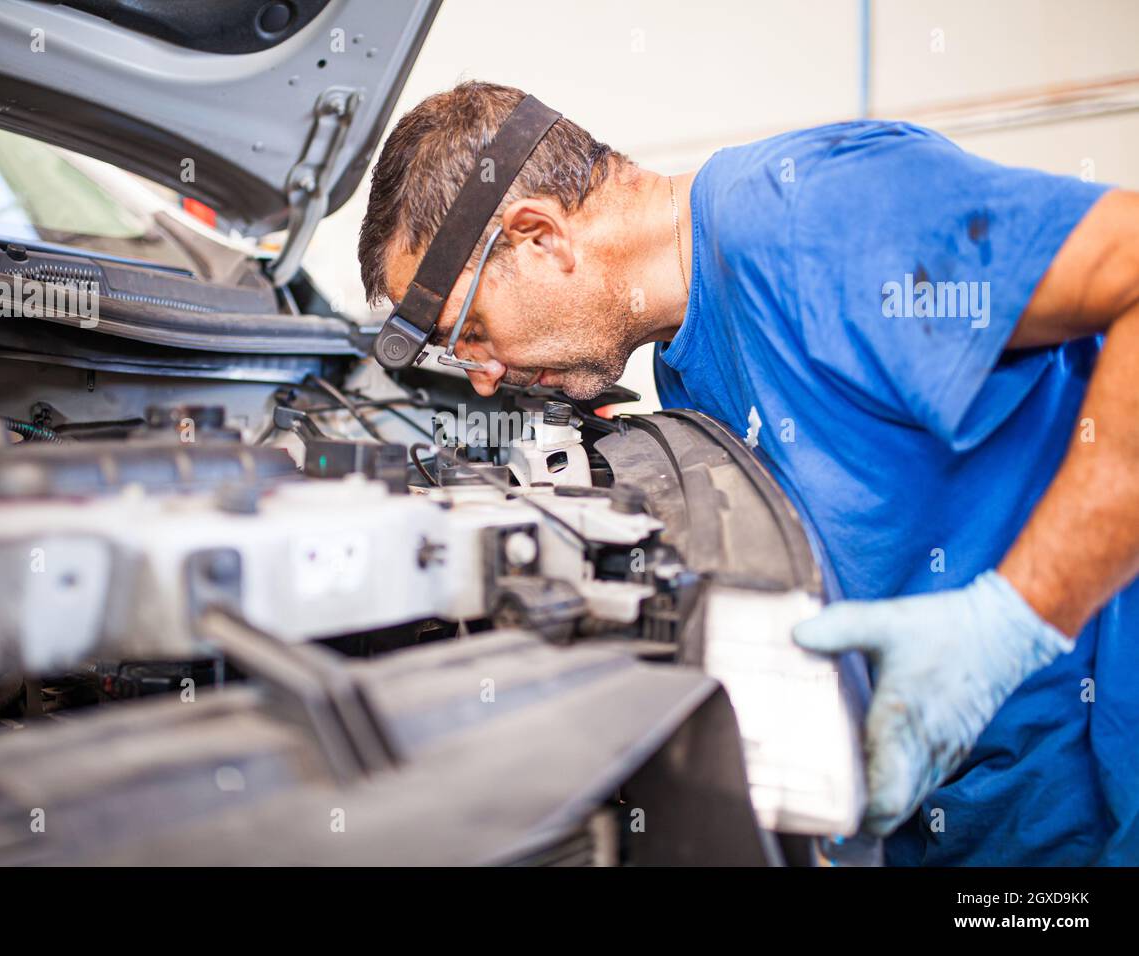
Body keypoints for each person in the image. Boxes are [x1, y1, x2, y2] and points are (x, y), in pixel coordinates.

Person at [357, 81, 1139, 865]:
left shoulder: (811, 215)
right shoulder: (684, 360)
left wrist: (1013, 621)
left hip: (1101, 794)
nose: (483, 378)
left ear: (537, 237)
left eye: (474, 332)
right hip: (960, 823)